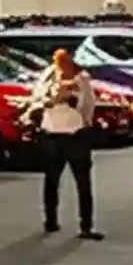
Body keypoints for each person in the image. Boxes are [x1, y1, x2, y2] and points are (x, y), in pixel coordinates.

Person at [29, 49, 104, 240]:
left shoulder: (82, 78)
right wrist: (53, 99)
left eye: (66, 61)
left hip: (76, 135)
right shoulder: (48, 76)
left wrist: (73, 102)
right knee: (51, 181)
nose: (62, 65)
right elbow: (37, 98)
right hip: (52, 134)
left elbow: (88, 104)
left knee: (83, 183)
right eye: (59, 61)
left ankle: (86, 225)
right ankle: (50, 220)